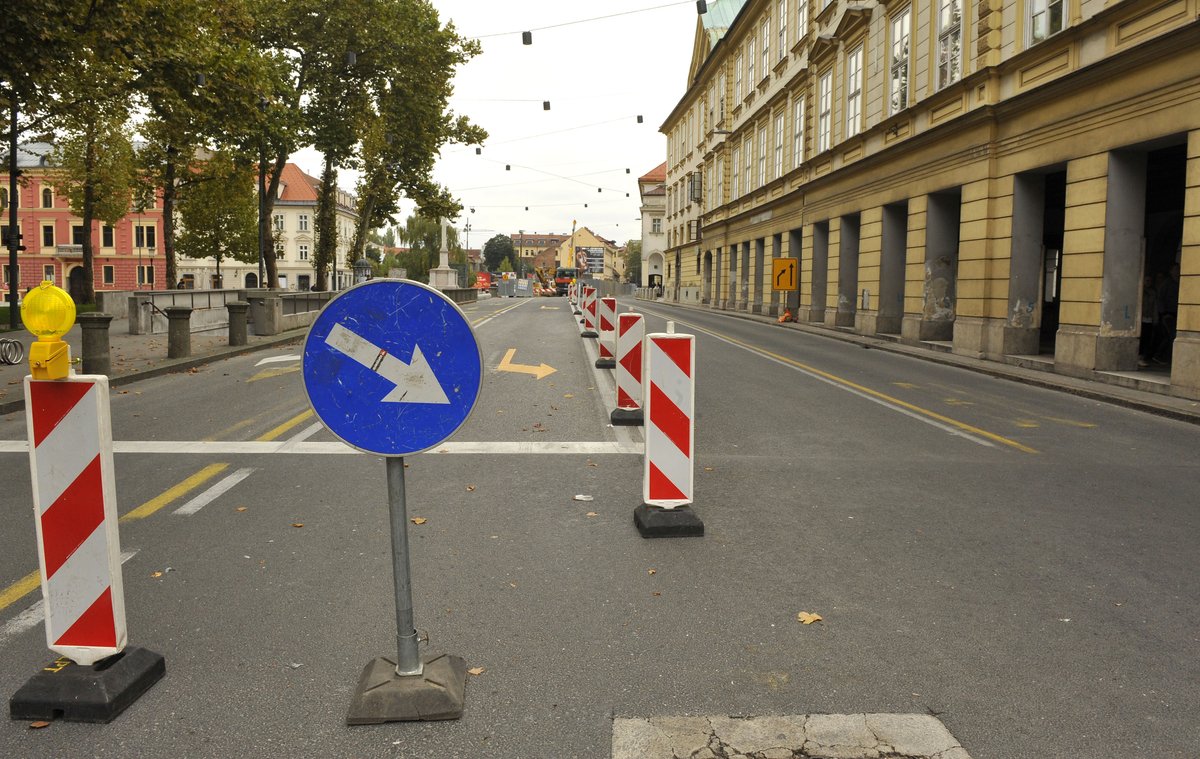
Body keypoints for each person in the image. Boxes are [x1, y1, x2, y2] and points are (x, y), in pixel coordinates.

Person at [1152, 263, 1180, 364]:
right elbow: (1160, 299)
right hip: (1168, 314)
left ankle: (1165, 357)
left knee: (1172, 336)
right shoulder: (1167, 283)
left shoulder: (1179, 282)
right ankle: (1159, 356)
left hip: (1177, 313)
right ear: (1171, 271)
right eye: (1175, 269)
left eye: (1178, 269)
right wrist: (1163, 313)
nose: (1178, 271)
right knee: (1170, 336)